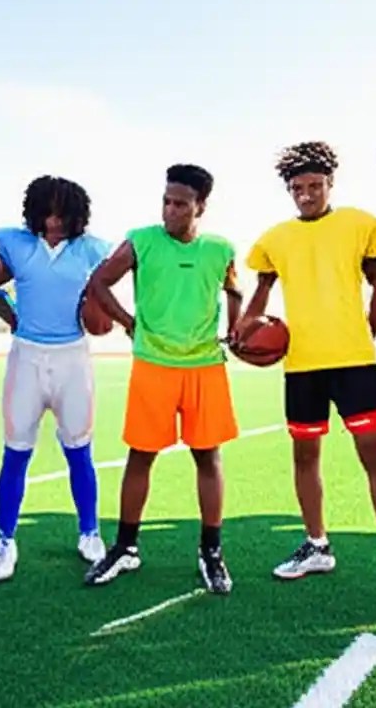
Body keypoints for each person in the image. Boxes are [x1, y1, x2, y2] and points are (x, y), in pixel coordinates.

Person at [239, 140, 376, 621]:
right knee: (304, 456)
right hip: (301, 366)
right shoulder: (274, 238)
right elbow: (260, 295)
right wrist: (242, 334)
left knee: (373, 458)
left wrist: (368, 332)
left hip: (354, 363)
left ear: (330, 184)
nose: (306, 195)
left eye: (314, 186)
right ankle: (317, 545)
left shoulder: (361, 224)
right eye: (298, 188)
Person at [82, 164, 240, 594]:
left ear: (200, 207)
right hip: (154, 364)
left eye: (180, 204)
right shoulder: (141, 241)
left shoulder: (221, 249)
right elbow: (99, 282)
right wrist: (128, 322)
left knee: (208, 457)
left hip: (205, 365)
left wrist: (239, 329)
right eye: (166, 201)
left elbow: (234, 290)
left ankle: (211, 551)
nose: (170, 210)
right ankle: (125, 548)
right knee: (141, 456)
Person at [0, 175, 112, 582]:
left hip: (73, 358)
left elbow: (104, 303)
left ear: (76, 214)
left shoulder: (94, 249)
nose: (53, 220)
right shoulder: (15, 242)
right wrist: (12, 317)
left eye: (61, 212)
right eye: (46, 210)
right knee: (16, 452)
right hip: (26, 357)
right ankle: (5, 539)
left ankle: (89, 532)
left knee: (79, 451)